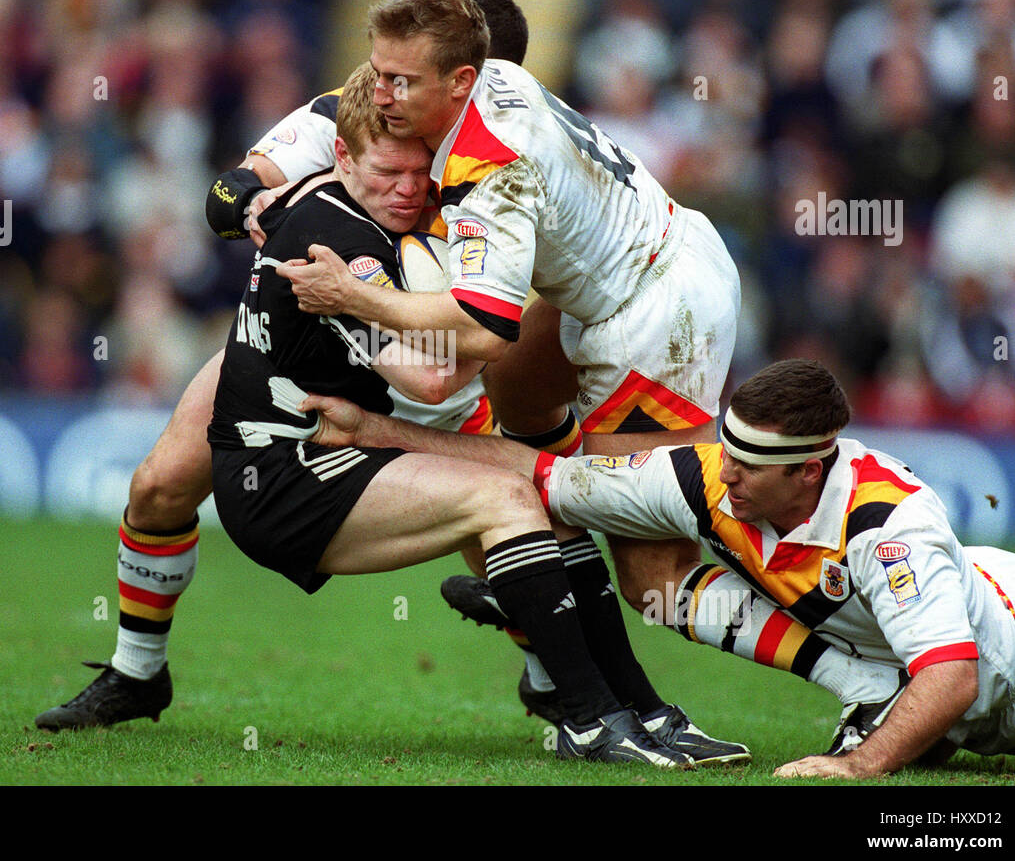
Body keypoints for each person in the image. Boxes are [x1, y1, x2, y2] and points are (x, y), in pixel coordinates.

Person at [34, 0, 524, 731]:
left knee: (493, 514)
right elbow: (228, 193)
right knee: (161, 484)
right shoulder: (351, 108)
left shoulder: (512, 152)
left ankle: (559, 688)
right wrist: (261, 204)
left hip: (430, 344)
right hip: (309, 327)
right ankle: (138, 673)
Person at [205, 62, 692, 766]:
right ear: (342, 156)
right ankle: (586, 720)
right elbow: (430, 376)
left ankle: (639, 709)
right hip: (284, 471)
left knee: (552, 496)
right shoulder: (337, 237)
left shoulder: (352, 207)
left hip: (339, 440)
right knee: (505, 499)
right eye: (387, 173)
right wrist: (490, 325)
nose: (407, 190)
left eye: (418, 173)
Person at [279, 0, 742, 725]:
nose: (381, 94)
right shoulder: (498, 75)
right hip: (661, 256)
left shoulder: (487, 164)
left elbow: (483, 326)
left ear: (458, 79)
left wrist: (354, 297)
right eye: (380, 73)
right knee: (519, 389)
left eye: (402, 81)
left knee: (657, 575)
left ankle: (847, 657)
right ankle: (540, 559)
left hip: (654, 320)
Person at [299, 359, 1015, 777]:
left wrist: (857, 769)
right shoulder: (708, 475)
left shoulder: (889, 530)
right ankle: (860, 686)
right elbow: (544, 473)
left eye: (750, 468)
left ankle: (873, 701)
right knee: (651, 577)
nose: (727, 479)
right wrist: (378, 431)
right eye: (725, 452)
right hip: (923, 656)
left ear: (808, 475)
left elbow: (952, 678)